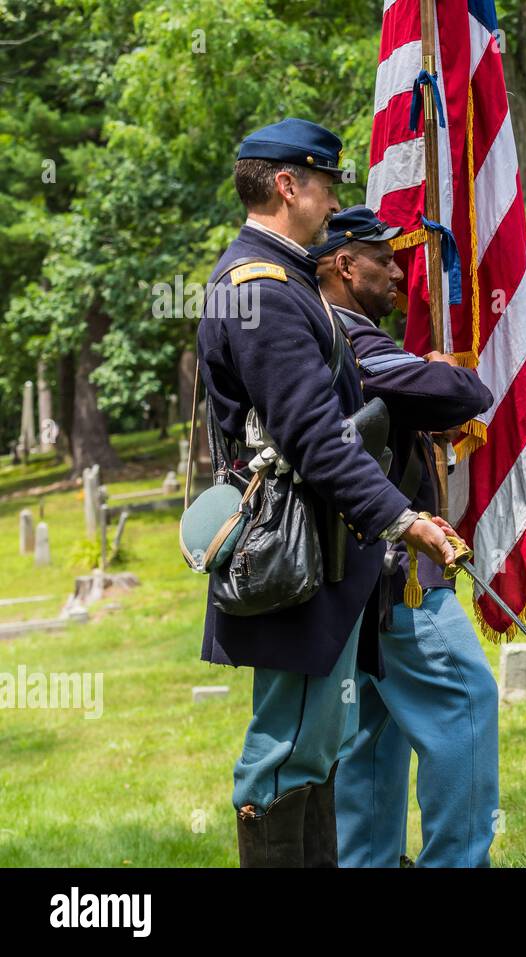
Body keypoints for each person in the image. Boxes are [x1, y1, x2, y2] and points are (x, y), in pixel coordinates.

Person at [196, 120, 457, 867]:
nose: (333, 197)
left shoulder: (278, 278)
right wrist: (401, 517)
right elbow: (313, 435)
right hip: (297, 552)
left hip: (315, 547)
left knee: (314, 743)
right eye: (328, 182)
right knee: (287, 752)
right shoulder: (265, 289)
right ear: (289, 185)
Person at [314, 205, 526, 866]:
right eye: (382, 258)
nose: (398, 269)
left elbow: (415, 413)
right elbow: (454, 393)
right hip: (395, 580)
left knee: (370, 741)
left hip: (350, 585)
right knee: (465, 702)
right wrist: (442, 365)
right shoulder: (349, 338)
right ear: (345, 265)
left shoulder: (317, 336)